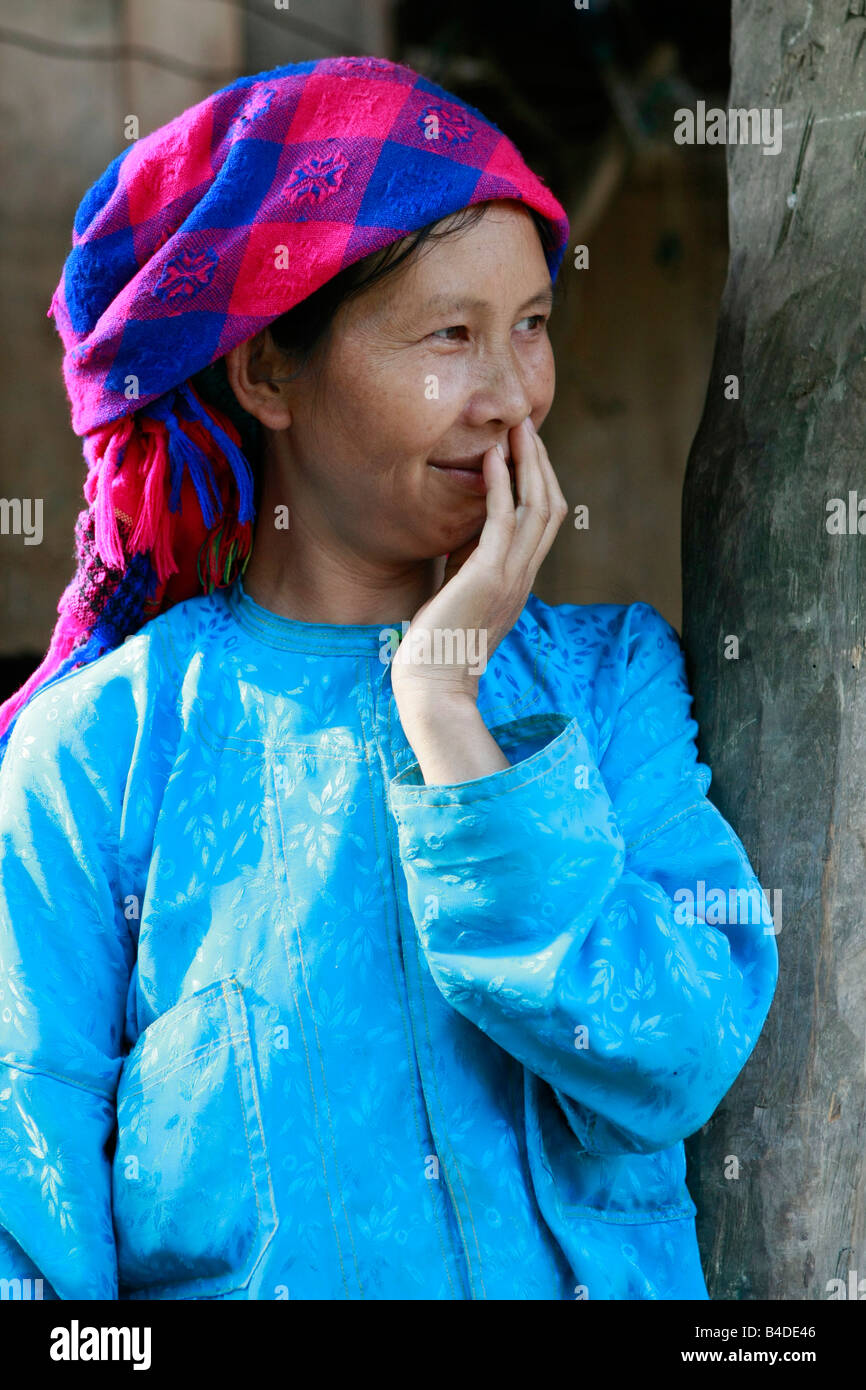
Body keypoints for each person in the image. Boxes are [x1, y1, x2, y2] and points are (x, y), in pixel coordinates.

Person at [0, 55, 778, 1301]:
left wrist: (447, 710)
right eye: (449, 337)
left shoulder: (613, 680)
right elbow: (27, 1238)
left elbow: (673, 1048)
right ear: (267, 375)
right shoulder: (96, 760)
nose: (512, 396)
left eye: (528, 325)